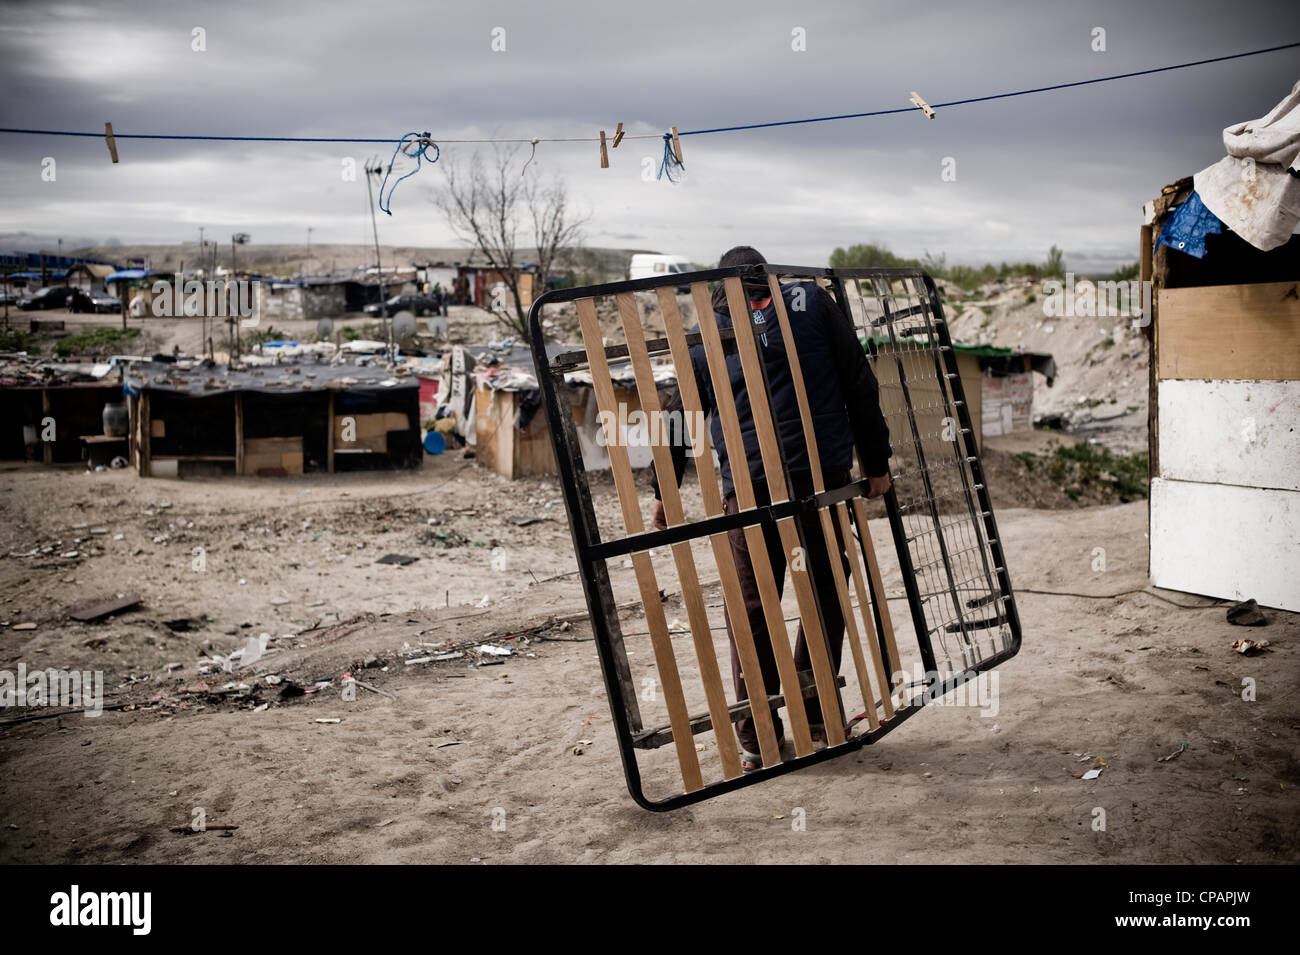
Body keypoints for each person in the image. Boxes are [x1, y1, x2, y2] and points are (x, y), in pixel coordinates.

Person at [650, 246, 892, 772]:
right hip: (820, 484)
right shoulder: (812, 304)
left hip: (750, 490)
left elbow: (674, 415)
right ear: (769, 280)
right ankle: (817, 715)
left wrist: (664, 494)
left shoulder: (704, 337)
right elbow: (859, 383)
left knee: (754, 605)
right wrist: (876, 462)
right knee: (824, 593)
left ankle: (757, 730)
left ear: (717, 292)